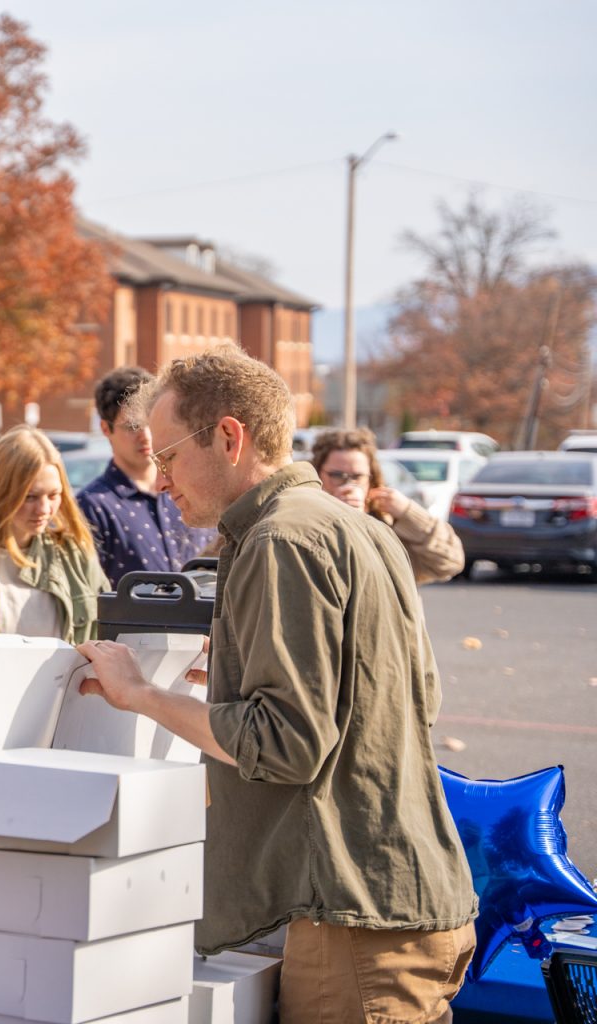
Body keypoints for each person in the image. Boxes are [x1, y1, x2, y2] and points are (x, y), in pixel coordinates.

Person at [75, 345, 477, 1022]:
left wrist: (141, 694)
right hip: (413, 901)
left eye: (169, 456)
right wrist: (236, 674)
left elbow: (286, 743)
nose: (161, 478)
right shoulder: (359, 530)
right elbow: (407, 700)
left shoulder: (278, 538)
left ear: (229, 438)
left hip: (357, 923)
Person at [0, 426, 109, 642]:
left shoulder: (74, 554)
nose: (44, 509)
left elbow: (105, 636)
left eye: (53, 495)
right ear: (1, 492)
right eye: (30, 497)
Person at [77, 366, 216, 585]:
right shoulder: (92, 507)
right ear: (105, 429)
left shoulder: (190, 488)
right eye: (132, 427)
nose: (145, 436)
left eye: (148, 423)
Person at [311, 427, 465, 583]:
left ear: (371, 478)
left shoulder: (387, 522)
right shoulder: (308, 519)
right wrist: (336, 513)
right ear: (318, 474)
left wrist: (407, 513)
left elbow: (450, 562)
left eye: (357, 476)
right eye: (337, 476)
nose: (349, 484)